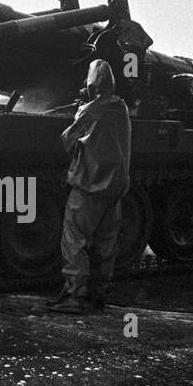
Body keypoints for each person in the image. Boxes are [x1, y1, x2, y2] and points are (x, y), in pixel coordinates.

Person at [48, 59, 132, 315]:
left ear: (92, 85)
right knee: (105, 246)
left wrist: (82, 109)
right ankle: (97, 296)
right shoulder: (122, 108)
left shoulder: (89, 111)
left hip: (89, 187)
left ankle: (74, 296)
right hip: (115, 188)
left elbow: (69, 141)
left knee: (75, 243)